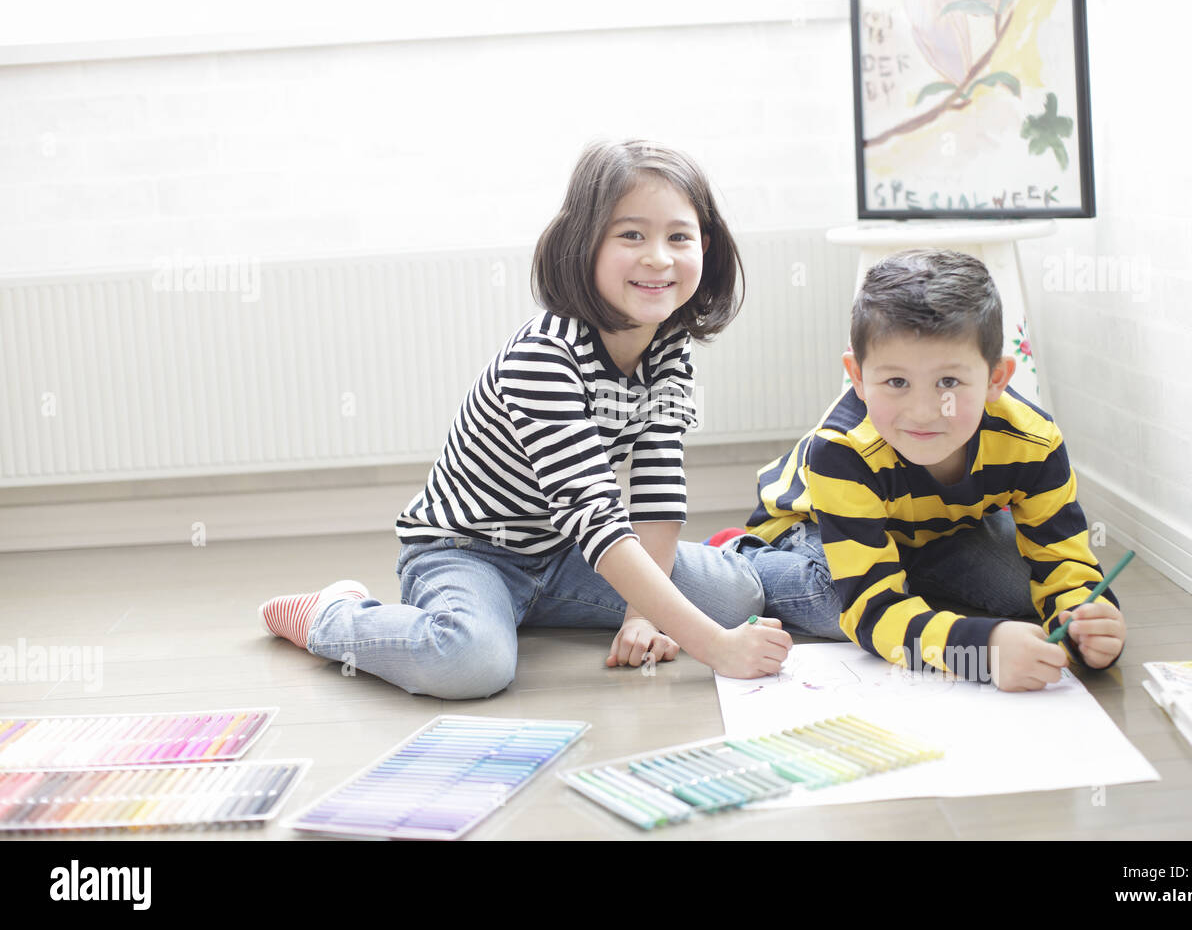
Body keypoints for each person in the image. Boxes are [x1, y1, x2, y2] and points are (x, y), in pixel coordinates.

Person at [257, 139, 791, 698]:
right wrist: (717, 649)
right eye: (631, 234)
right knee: (469, 664)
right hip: (470, 551)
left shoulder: (670, 352)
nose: (658, 257)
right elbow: (596, 516)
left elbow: (657, 493)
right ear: (583, 244)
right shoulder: (545, 355)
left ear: (704, 247)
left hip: (565, 552)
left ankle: (527, 612)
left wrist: (640, 617)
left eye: (678, 237)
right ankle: (331, 616)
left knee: (737, 597)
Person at [721, 248, 1126, 691]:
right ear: (857, 375)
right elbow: (869, 610)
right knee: (838, 613)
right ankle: (741, 555)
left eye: (948, 382)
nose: (922, 412)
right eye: (896, 382)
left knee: (1019, 589)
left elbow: (1065, 563)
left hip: (934, 533)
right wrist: (978, 650)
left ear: (996, 378)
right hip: (810, 525)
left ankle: (907, 586)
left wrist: (1091, 622)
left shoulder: (1034, 441)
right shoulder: (842, 451)